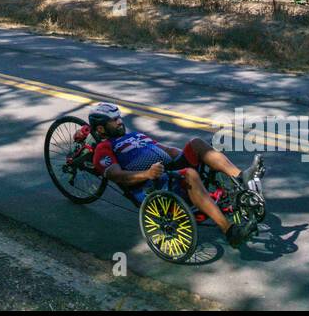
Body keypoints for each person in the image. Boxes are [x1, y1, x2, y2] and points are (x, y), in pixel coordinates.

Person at [85, 103, 262, 249]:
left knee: (196, 143)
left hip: (169, 171)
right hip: (152, 184)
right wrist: (147, 173)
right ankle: (230, 231)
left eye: (119, 118)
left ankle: (240, 177)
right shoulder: (103, 148)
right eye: (114, 120)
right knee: (190, 174)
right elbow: (116, 175)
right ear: (101, 128)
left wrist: (190, 156)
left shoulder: (134, 135)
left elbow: (166, 149)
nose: (119, 122)